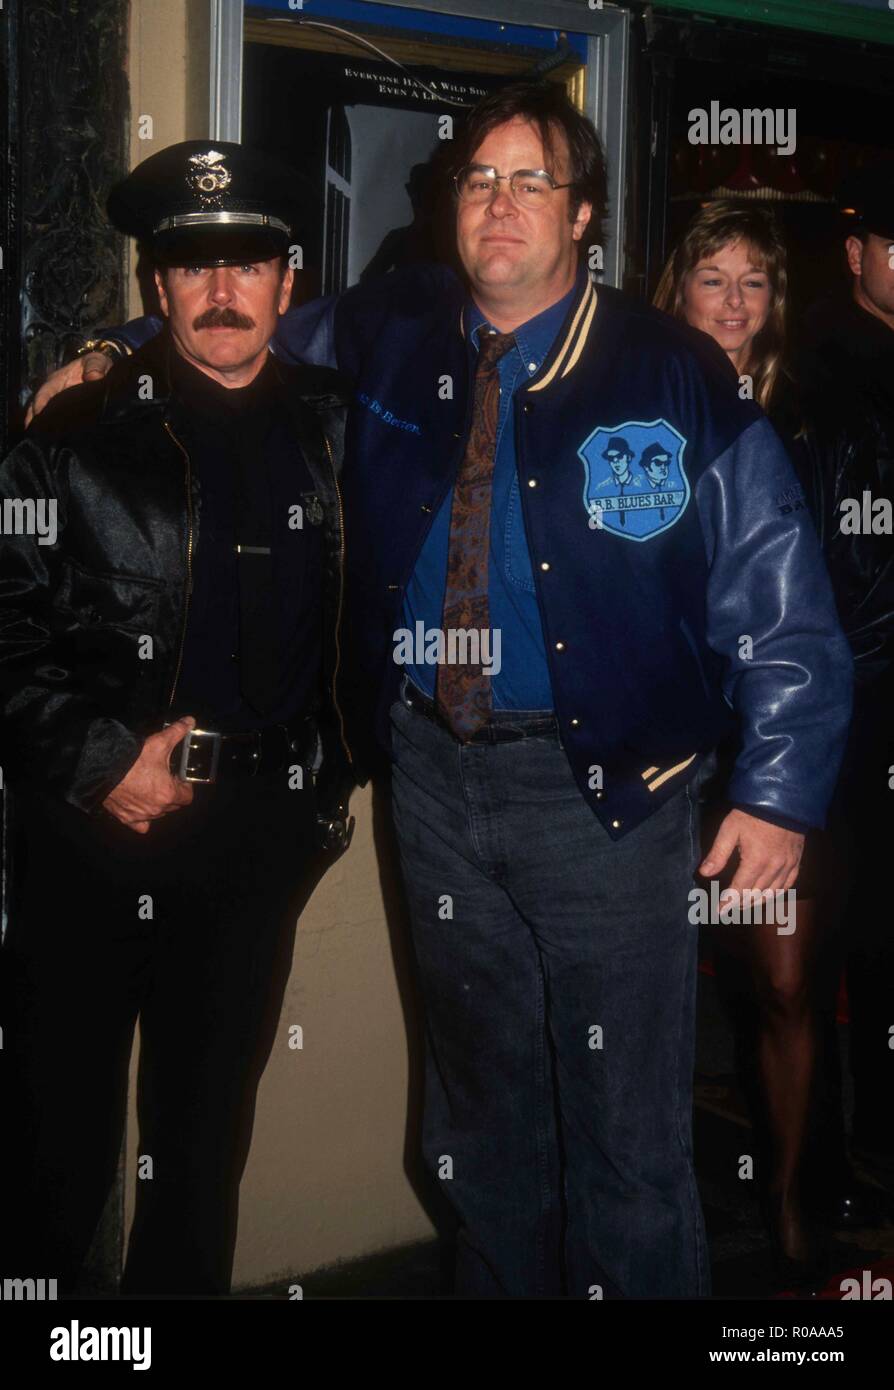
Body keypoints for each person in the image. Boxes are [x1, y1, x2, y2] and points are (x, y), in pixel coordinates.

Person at [31, 83, 854, 1300]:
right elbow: (234, 326)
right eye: (478, 180)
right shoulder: (396, 323)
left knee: (626, 1146)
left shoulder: (674, 370)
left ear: (584, 217)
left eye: (532, 181)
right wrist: (114, 347)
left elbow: (780, 597)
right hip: (434, 785)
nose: (499, 203)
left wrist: (779, 794)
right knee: (481, 1130)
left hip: (611, 802)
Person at [0, 140, 353, 1296]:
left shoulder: (340, 428)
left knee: (200, 1158)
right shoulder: (75, 429)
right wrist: (100, 760)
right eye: (192, 264)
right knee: (55, 1151)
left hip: (253, 842)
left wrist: (320, 794)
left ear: (287, 282)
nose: (221, 291)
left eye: (247, 261)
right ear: (157, 286)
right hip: (92, 836)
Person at [654, 202, 839, 1283]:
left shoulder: (805, 416)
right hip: (666, 743)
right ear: (678, 289)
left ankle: (788, 1208)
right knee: (652, 989)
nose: (731, 300)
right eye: (711, 277)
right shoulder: (641, 400)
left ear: (774, 304)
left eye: (752, 282)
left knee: (780, 982)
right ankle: (663, 1195)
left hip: (781, 747)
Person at [796, 160, 894, 1196]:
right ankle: (819, 1169)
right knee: (826, 943)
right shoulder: (820, 368)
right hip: (851, 698)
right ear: (859, 253)